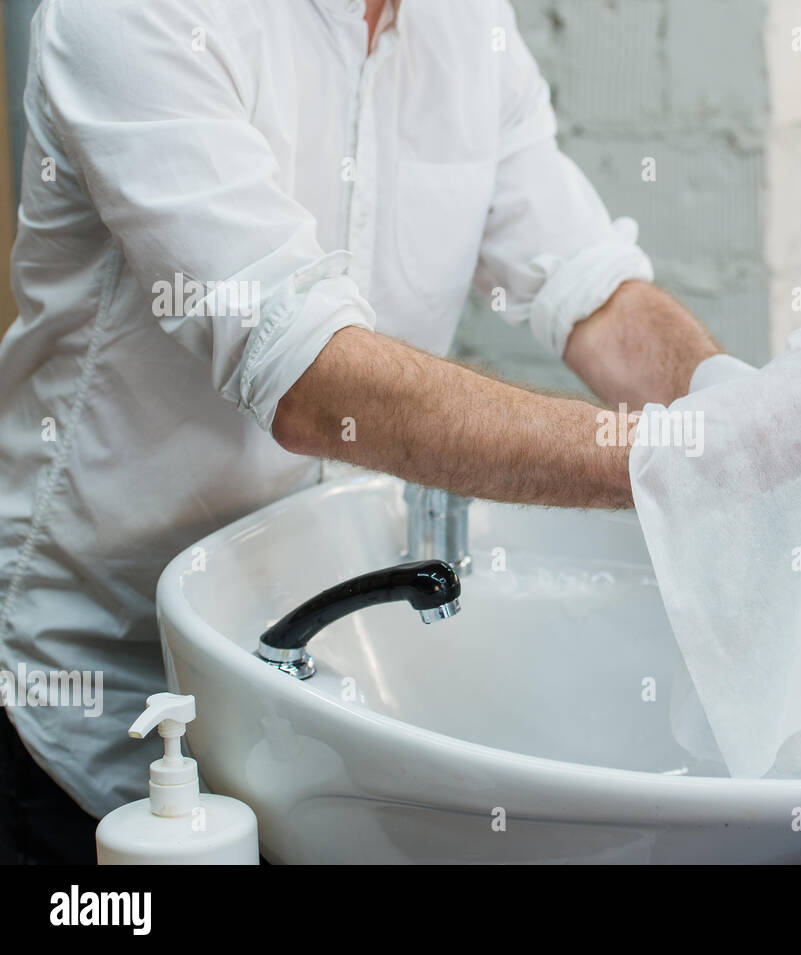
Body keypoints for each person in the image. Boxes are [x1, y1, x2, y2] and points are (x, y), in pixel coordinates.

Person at [0, 0, 750, 863]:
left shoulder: (469, 28)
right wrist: (680, 463)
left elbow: (594, 293)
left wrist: (740, 410)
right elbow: (310, 379)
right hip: (107, 705)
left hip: (319, 691)